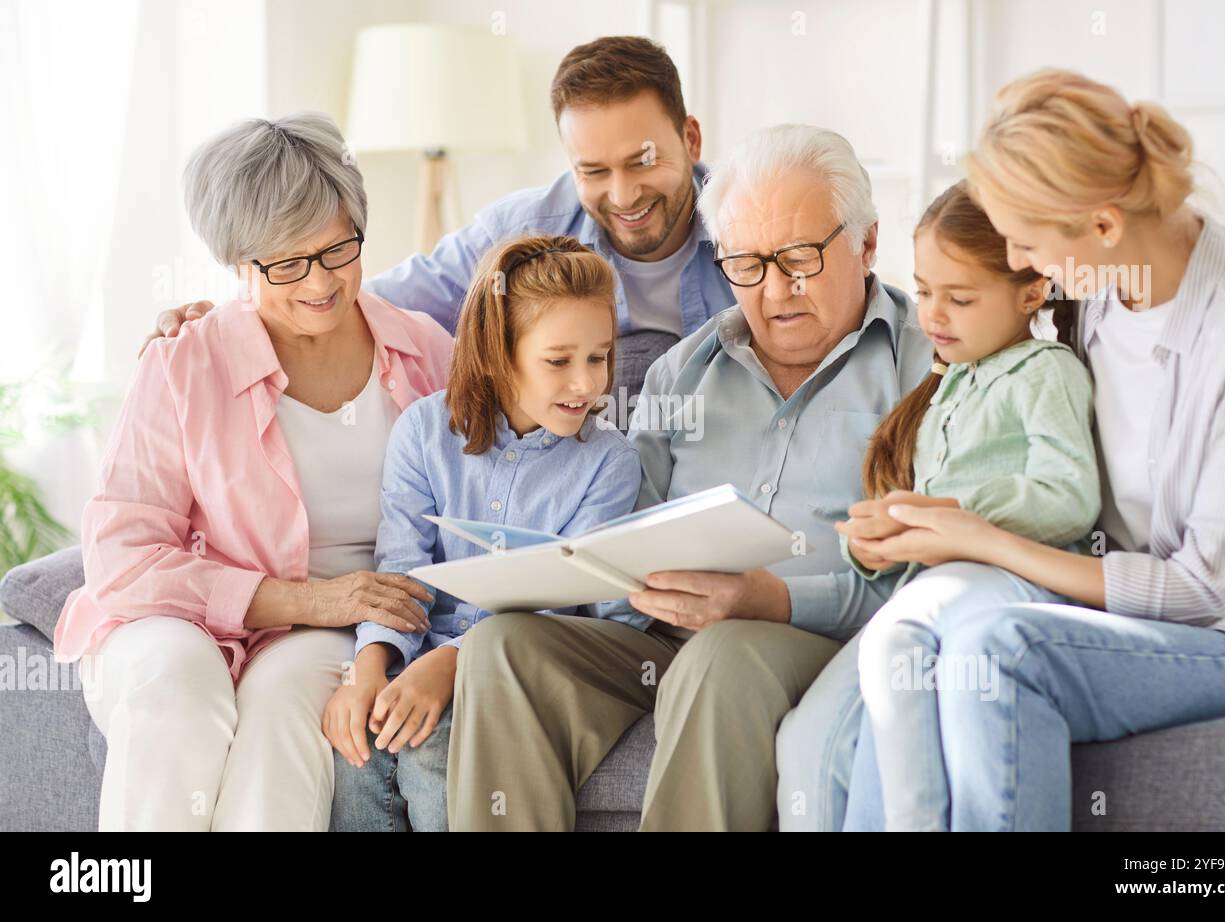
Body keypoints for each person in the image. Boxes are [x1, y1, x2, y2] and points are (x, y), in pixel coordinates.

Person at [834, 69, 1225, 831]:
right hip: (1119, 598)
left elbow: (1207, 593)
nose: (1021, 262)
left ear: (1105, 225)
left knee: (1000, 650)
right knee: (916, 638)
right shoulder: (1103, 286)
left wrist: (986, 536)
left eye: (1025, 242)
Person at [445, 124, 933, 831]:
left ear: (866, 243)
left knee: (723, 653)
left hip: (816, 639)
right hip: (666, 636)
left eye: (798, 258)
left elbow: (933, 576)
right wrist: (605, 573)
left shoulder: (924, 370)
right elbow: (629, 524)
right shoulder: (685, 370)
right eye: (745, 263)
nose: (773, 292)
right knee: (503, 648)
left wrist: (773, 599)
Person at [53, 112, 453, 830]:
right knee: (174, 692)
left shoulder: (424, 353)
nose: (320, 282)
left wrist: (353, 614)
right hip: (177, 617)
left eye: (337, 250)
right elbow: (121, 558)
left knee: (286, 708)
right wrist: (303, 599)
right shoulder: (185, 361)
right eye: (286, 263)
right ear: (239, 261)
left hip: (340, 632)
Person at [139, 36, 735, 407]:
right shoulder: (527, 226)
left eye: (641, 162)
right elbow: (373, 303)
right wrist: (224, 323)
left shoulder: (750, 225)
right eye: (594, 170)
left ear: (689, 137)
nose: (622, 193)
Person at [326, 236, 642, 832]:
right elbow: (401, 571)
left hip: (512, 673)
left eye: (599, 358)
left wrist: (450, 664)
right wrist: (367, 671)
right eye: (558, 361)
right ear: (498, 353)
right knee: (357, 754)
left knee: (431, 753)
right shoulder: (424, 431)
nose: (585, 384)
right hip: (410, 657)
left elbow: (564, 606)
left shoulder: (610, 464)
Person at [830, 181, 1100, 831]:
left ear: (1031, 290)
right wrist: (871, 544)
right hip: (938, 585)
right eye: (924, 292)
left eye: (960, 298)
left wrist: (948, 512)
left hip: (1013, 579)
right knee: (835, 741)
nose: (933, 315)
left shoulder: (1045, 370)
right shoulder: (947, 385)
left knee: (894, 645)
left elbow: (1071, 493)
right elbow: (924, 523)